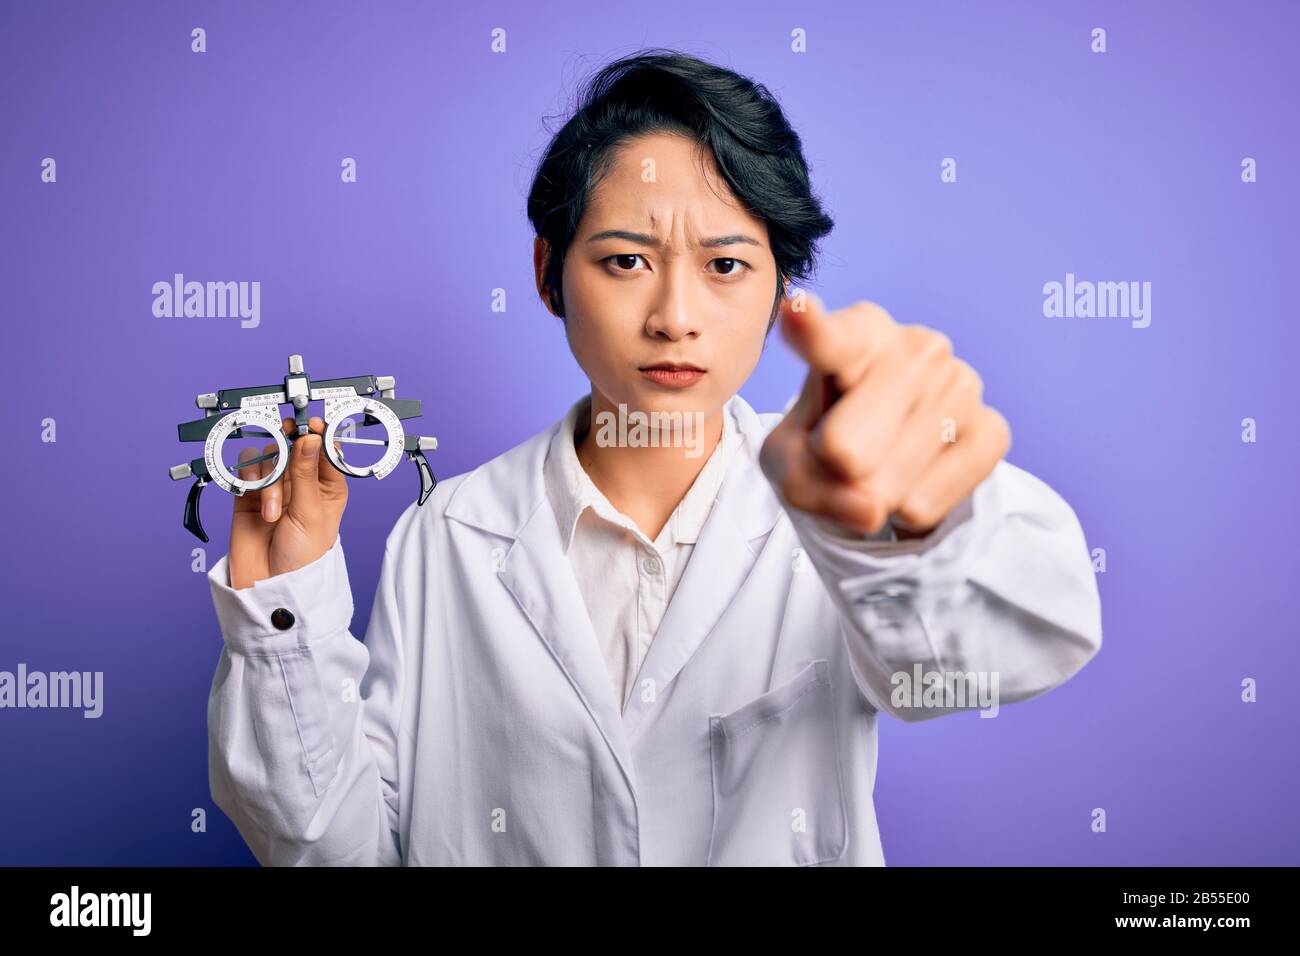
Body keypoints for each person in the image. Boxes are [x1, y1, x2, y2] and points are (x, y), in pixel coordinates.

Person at [206, 50, 1102, 866]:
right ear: (547, 271)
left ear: (784, 291)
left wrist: (912, 521)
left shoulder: (833, 505)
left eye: (725, 265)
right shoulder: (445, 537)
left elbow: (1007, 646)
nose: (676, 315)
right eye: (627, 260)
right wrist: (287, 612)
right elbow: (331, 853)